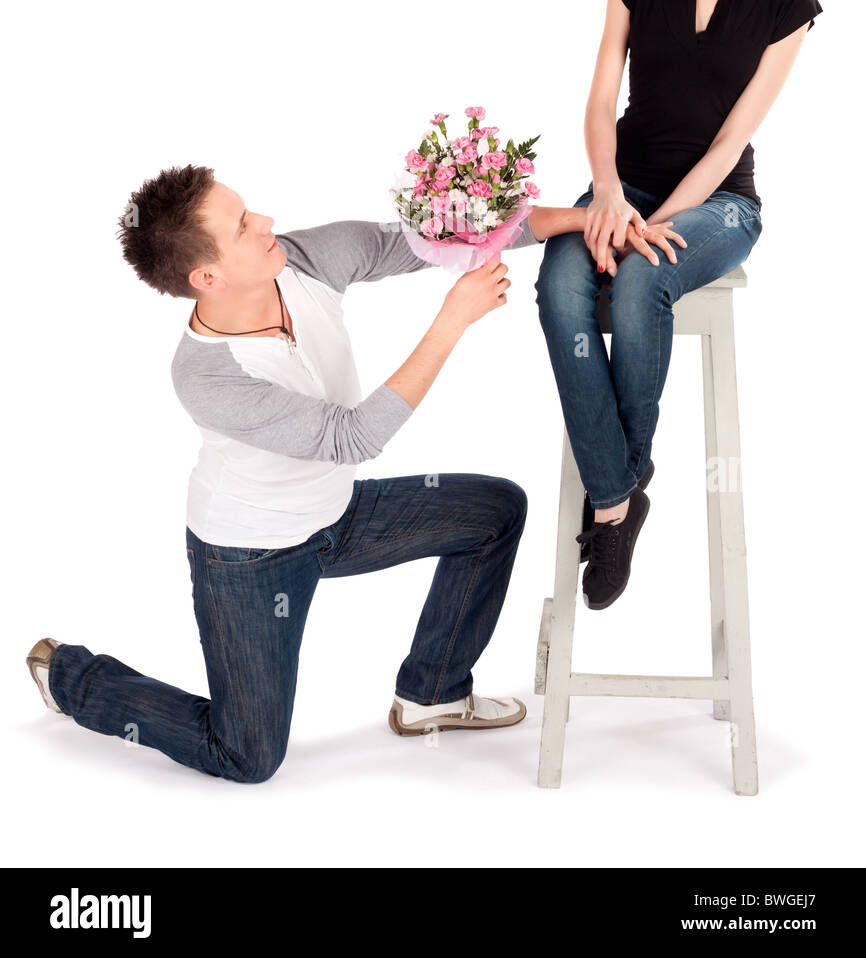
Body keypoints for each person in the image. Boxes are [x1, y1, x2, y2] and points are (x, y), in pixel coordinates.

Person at [25, 166, 664, 782]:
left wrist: (590, 220)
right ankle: (71, 677)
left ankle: (432, 696)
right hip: (251, 553)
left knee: (495, 512)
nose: (267, 220)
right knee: (246, 756)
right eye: (244, 224)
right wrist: (452, 322)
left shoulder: (304, 258)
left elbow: (440, 242)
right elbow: (351, 437)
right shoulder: (206, 376)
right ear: (208, 276)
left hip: (339, 517)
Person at [535, 0, 823, 612]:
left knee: (638, 281)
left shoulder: (787, 3)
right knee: (559, 287)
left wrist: (653, 226)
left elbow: (731, 142)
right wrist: (613, 196)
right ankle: (623, 487)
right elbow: (598, 105)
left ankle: (614, 498)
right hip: (621, 183)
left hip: (718, 203)